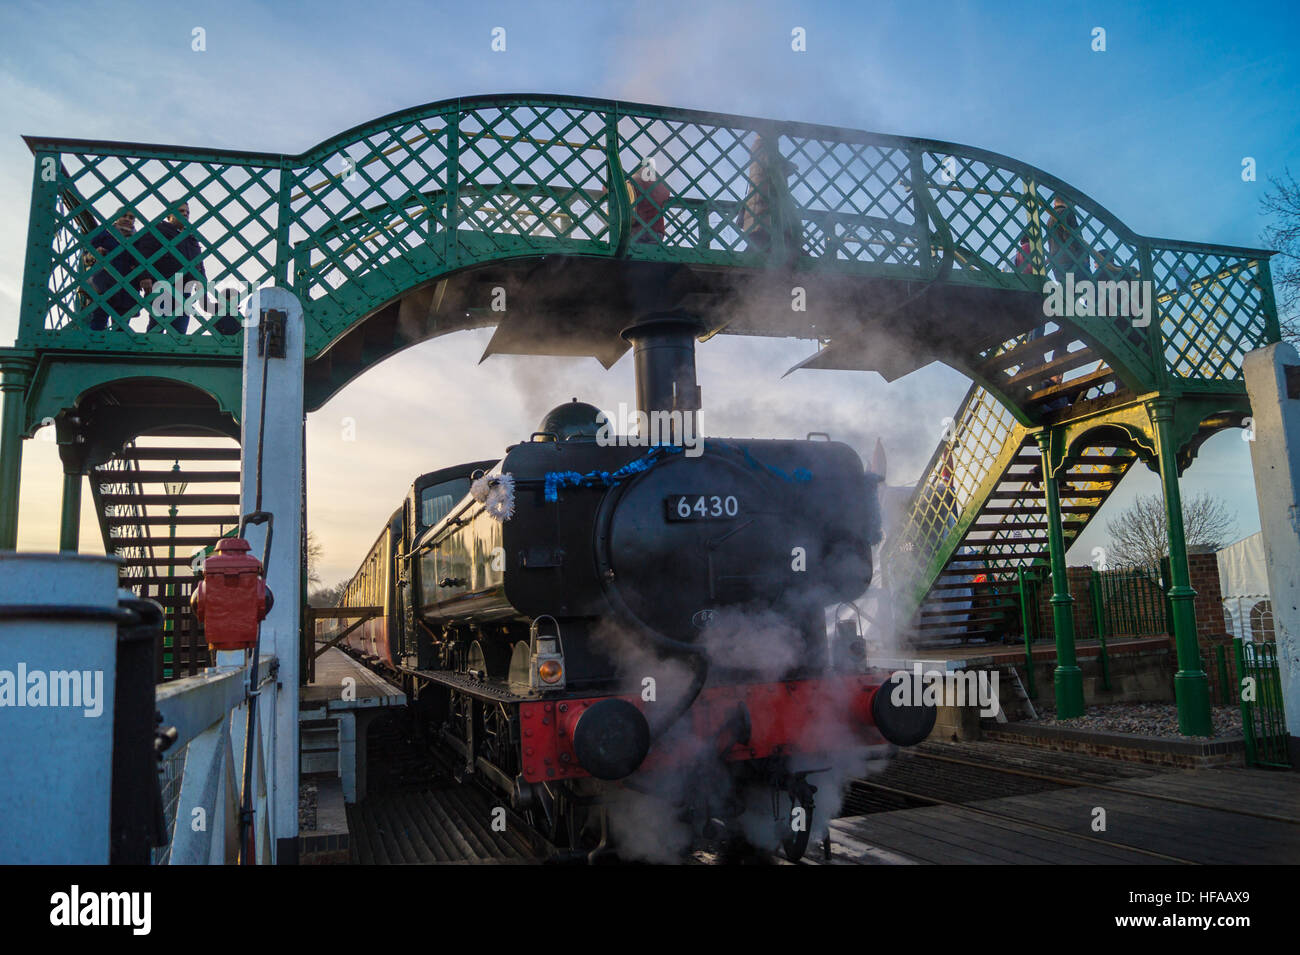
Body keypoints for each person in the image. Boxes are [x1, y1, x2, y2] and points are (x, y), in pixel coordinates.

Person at [137, 201, 208, 334]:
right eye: (181, 211)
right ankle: (151, 349)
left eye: (187, 212)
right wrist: (145, 276)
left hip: (185, 287)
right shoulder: (159, 230)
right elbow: (144, 252)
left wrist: (202, 282)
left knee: (179, 328)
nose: (185, 214)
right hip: (162, 283)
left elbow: (198, 262)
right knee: (157, 323)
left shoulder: (191, 237)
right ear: (169, 215)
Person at [737, 134, 801, 257]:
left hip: (759, 218)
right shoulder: (764, 149)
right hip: (765, 217)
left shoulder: (760, 150)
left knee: (756, 251)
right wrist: (786, 166)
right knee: (790, 254)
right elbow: (771, 166)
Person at [84, 209, 144, 331]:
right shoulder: (103, 233)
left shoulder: (138, 239)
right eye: (124, 216)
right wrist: (94, 254)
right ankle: (94, 348)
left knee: (122, 326)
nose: (127, 219)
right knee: (98, 321)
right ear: (116, 218)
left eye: (131, 217)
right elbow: (87, 256)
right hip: (104, 283)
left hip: (127, 286)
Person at [625, 162, 672, 244]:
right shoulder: (659, 185)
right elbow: (667, 193)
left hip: (637, 230)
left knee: (632, 254)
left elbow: (609, 189)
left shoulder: (633, 181)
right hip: (656, 232)